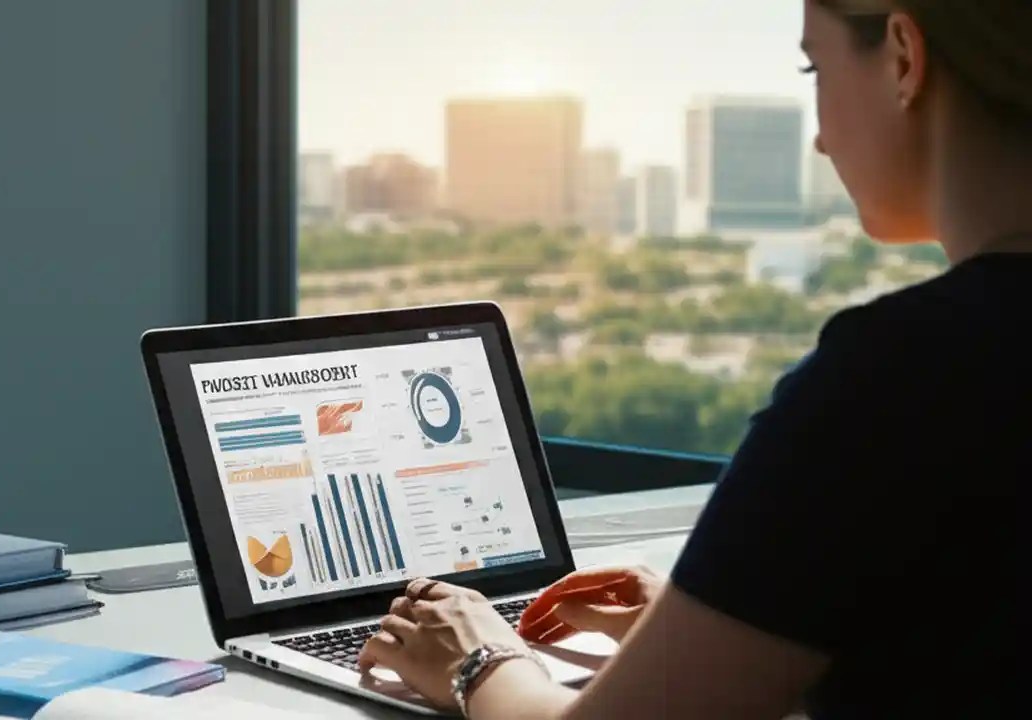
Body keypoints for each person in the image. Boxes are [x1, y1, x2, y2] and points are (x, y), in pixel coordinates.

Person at [357, 1, 1028, 717]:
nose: (821, 143)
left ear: (903, 56)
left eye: (815, 68)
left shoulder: (895, 380)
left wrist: (476, 656)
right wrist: (723, 628)